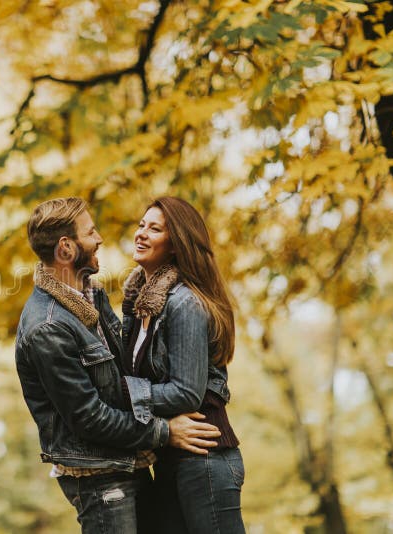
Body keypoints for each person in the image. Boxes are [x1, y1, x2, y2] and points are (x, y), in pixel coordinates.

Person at [15, 197, 222, 534]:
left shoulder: (90, 297)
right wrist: (165, 432)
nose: (99, 239)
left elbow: (123, 374)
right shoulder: (48, 327)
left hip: (130, 463)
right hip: (100, 480)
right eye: (91, 232)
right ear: (66, 249)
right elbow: (90, 418)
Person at [121, 196, 245, 533]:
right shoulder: (139, 307)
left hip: (205, 459)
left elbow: (187, 393)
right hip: (169, 456)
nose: (141, 234)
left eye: (155, 229)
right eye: (141, 225)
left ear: (176, 245)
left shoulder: (184, 303)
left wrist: (121, 393)